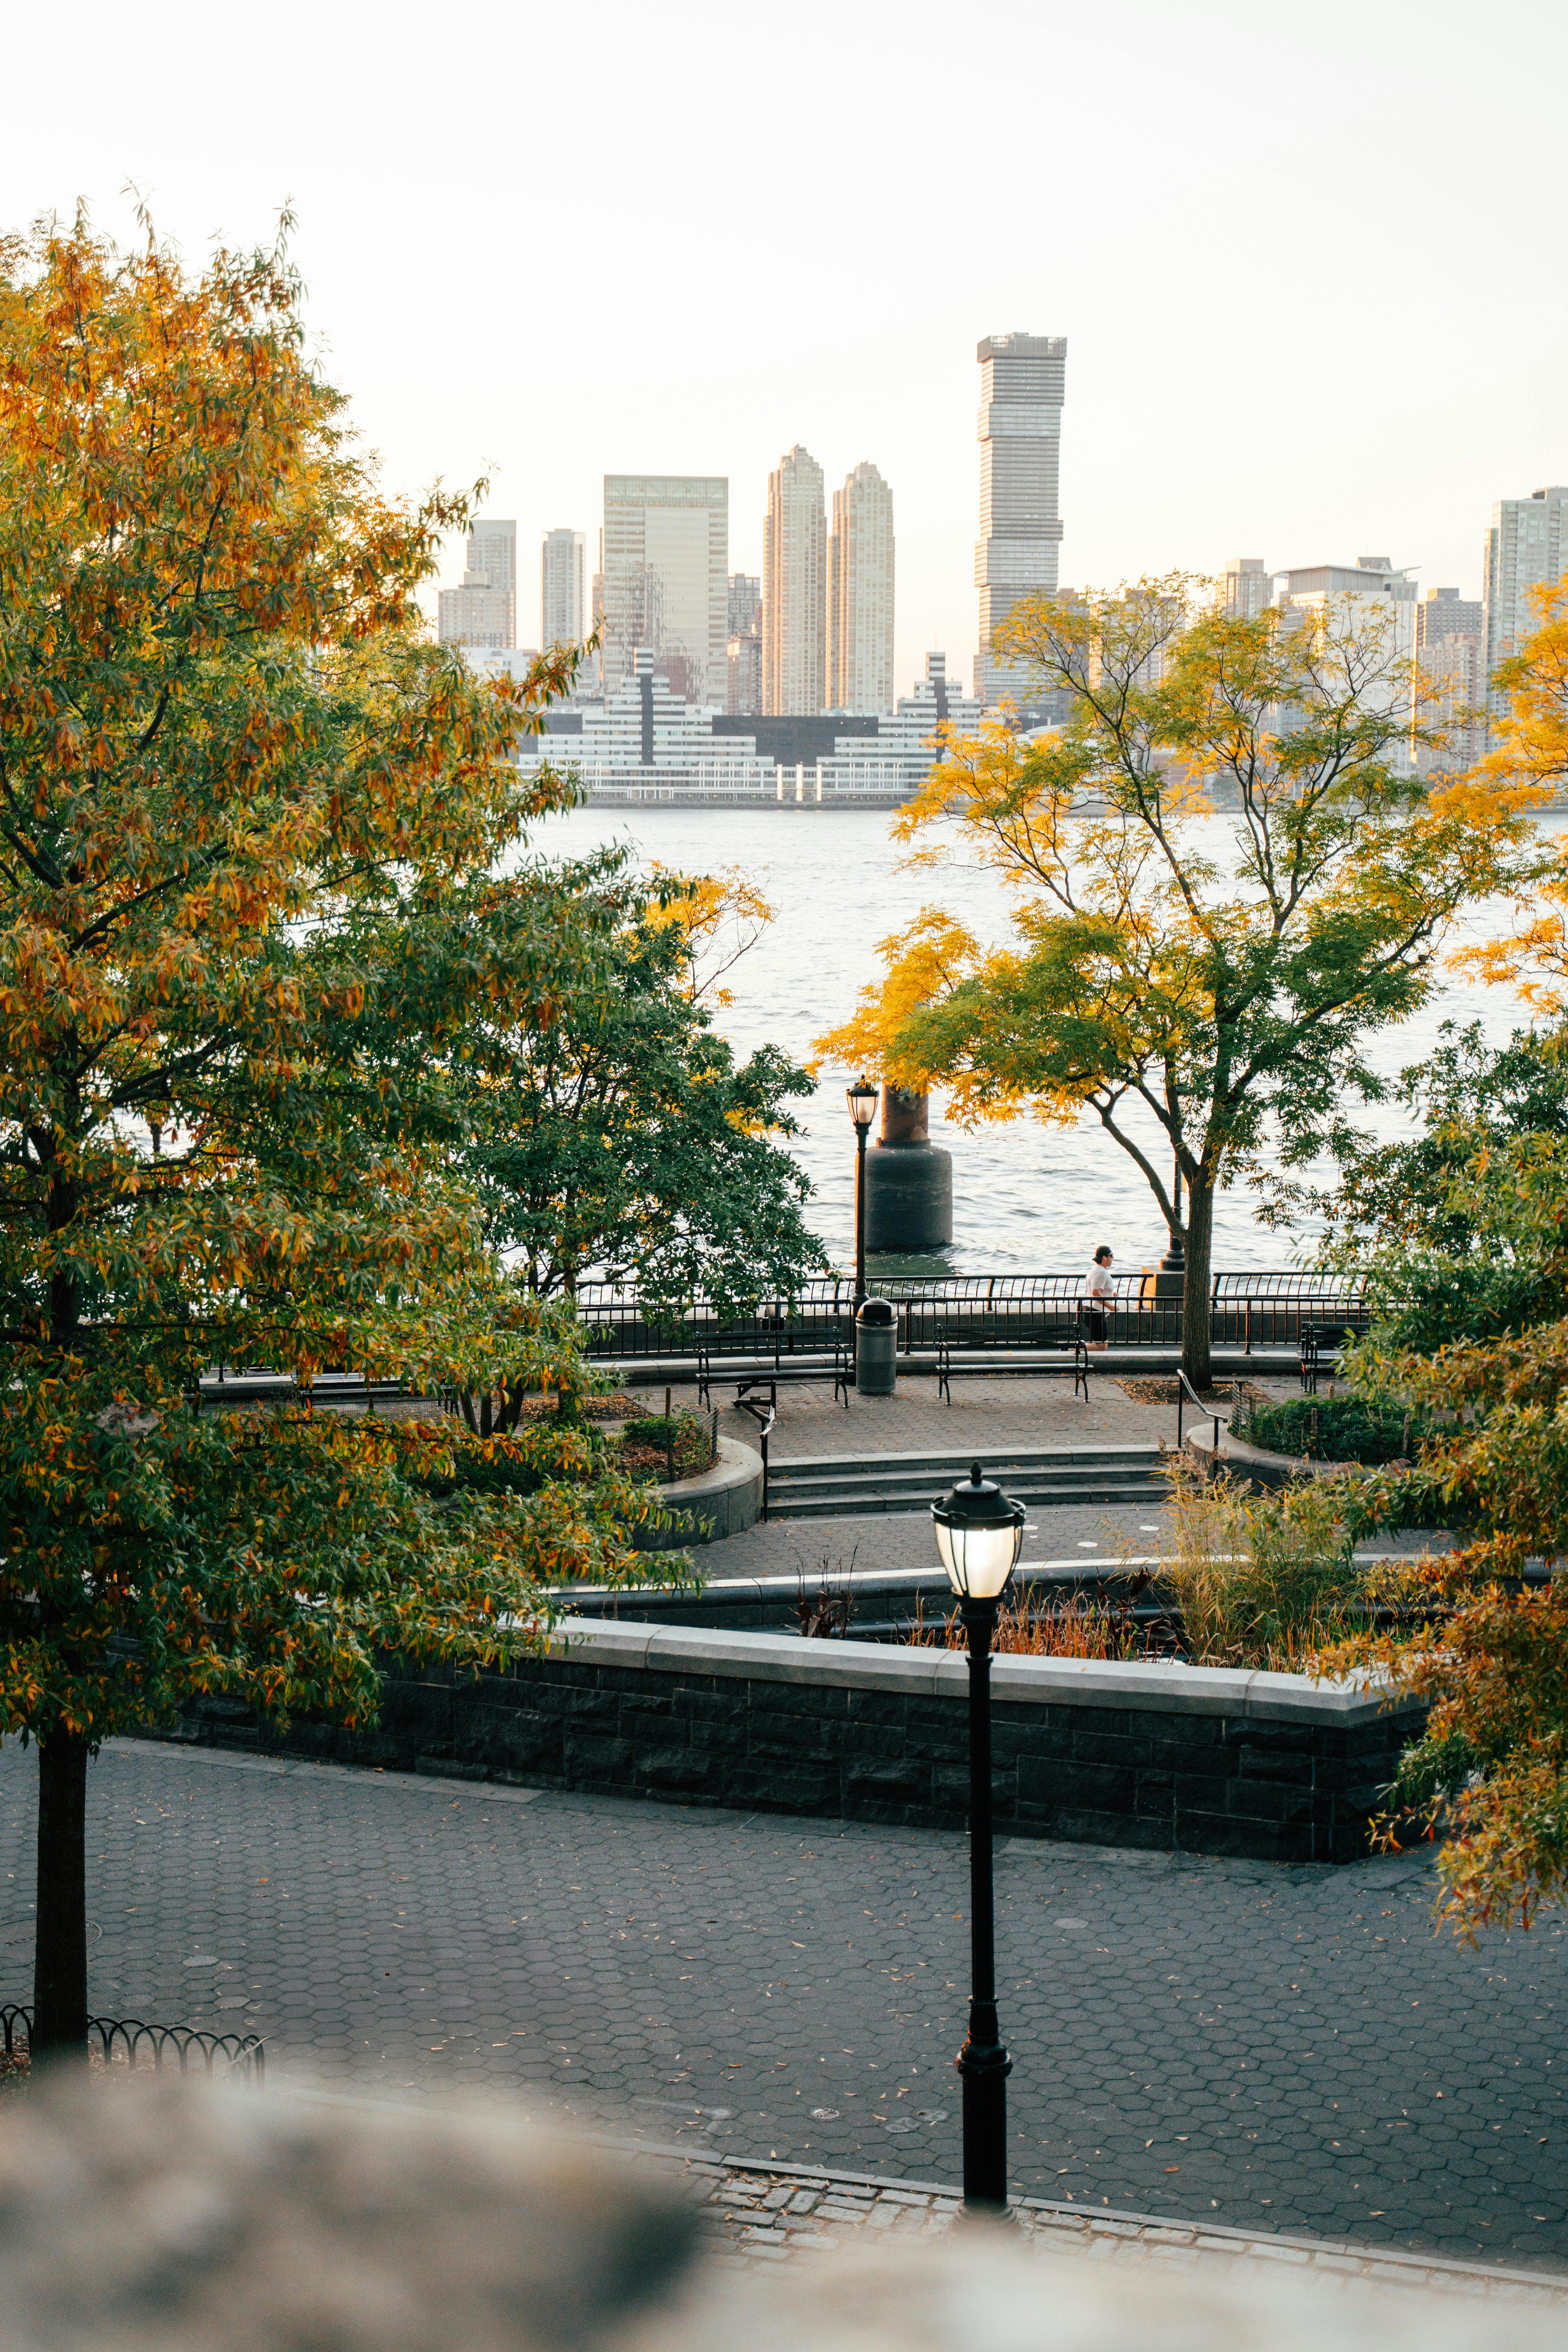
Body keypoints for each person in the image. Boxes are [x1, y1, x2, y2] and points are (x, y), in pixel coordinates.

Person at [1084, 1244, 1115, 1350]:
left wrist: (1111, 1295)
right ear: (1104, 1258)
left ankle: (1073, 1350)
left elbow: (1099, 1290)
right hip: (1096, 1312)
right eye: (1111, 1256)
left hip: (1094, 1310)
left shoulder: (1096, 1269)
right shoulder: (1101, 1272)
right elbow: (1096, 1293)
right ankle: (1070, 1349)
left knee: (1102, 1345)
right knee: (1101, 1346)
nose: (1113, 1258)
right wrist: (1110, 1307)